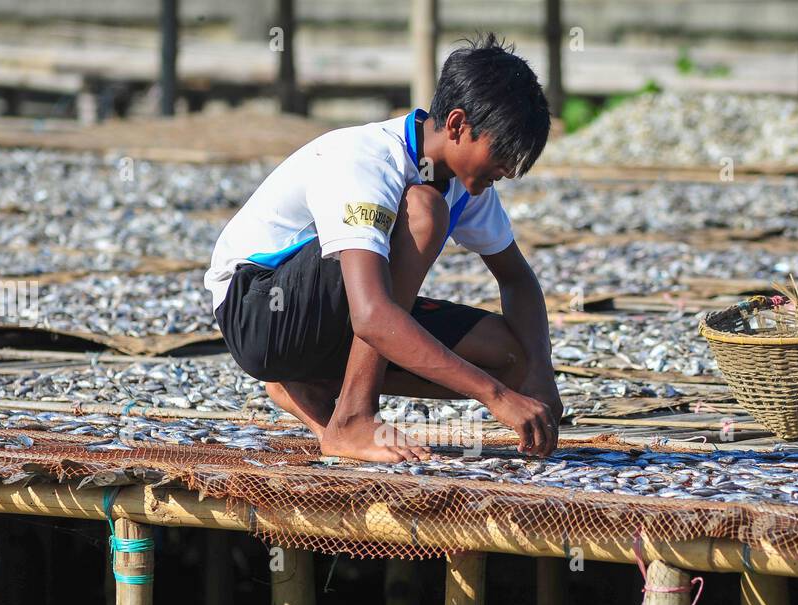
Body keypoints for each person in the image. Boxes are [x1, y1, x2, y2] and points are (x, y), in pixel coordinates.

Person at [206, 33, 562, 463]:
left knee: (513, 356)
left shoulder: (469, 184)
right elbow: (372, 315)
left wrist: (541, 375)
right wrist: (495, 396)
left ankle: (309, 382)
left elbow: (517, 279)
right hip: (261, 312)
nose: (507, 169)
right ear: (456, 125)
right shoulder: (367, 159)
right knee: (425, 212)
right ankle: (353, 418)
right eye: (502, 152)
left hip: (336, 315)